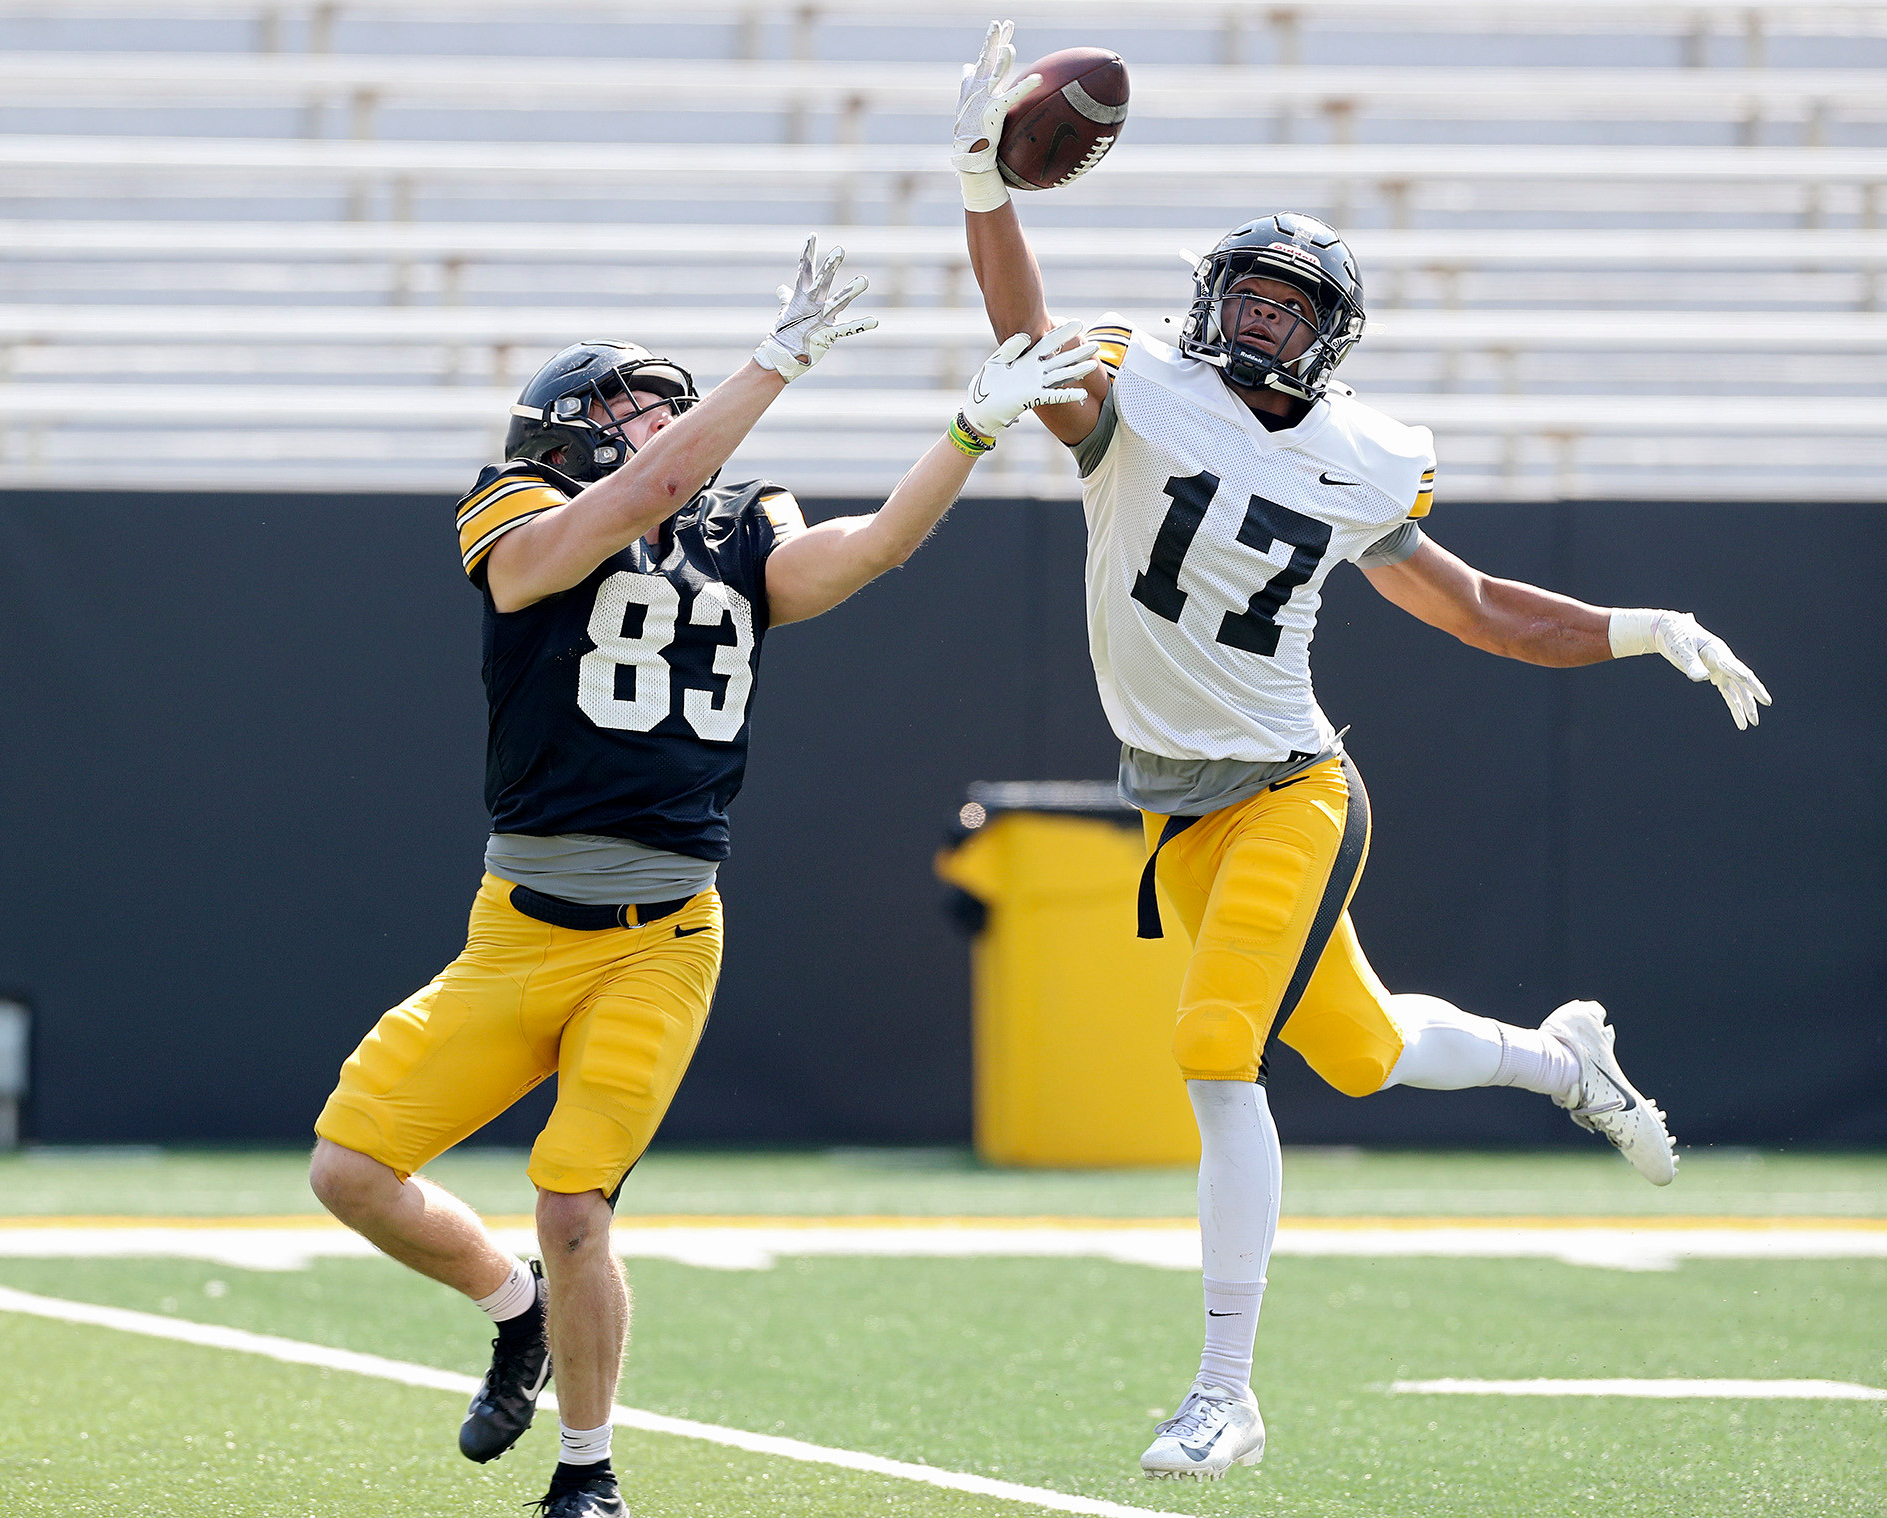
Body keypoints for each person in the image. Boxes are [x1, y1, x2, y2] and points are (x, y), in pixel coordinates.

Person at [951, 21, 1773, 1483]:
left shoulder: (1366, 455)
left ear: (1327, 335)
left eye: (1290, 307)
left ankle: (1223, 1391)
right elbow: (1029, 345)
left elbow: (1477, 610)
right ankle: (1562, 1060)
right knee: (1364, 1047)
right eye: (1249, 296)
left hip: (1290, 793)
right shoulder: (1135, 389)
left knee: (1216, 1053)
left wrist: (1644, 624)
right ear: (1213, 299)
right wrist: (982, 190)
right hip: (1181, 811)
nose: (1263, 320)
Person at [307, 236, 1097, 1518]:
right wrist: (773, 360)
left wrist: (964, 434)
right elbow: (626, 506)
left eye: (665, 400)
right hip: (517, 928)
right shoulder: (511, 507)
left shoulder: (740, 522)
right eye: (626, 402)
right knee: (349, 1170)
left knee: (573, 1204)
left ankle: (588, 1470)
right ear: (559, 434)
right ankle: (513, 1317)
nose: (659, 420)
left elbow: (866, 551)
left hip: (663, 932)